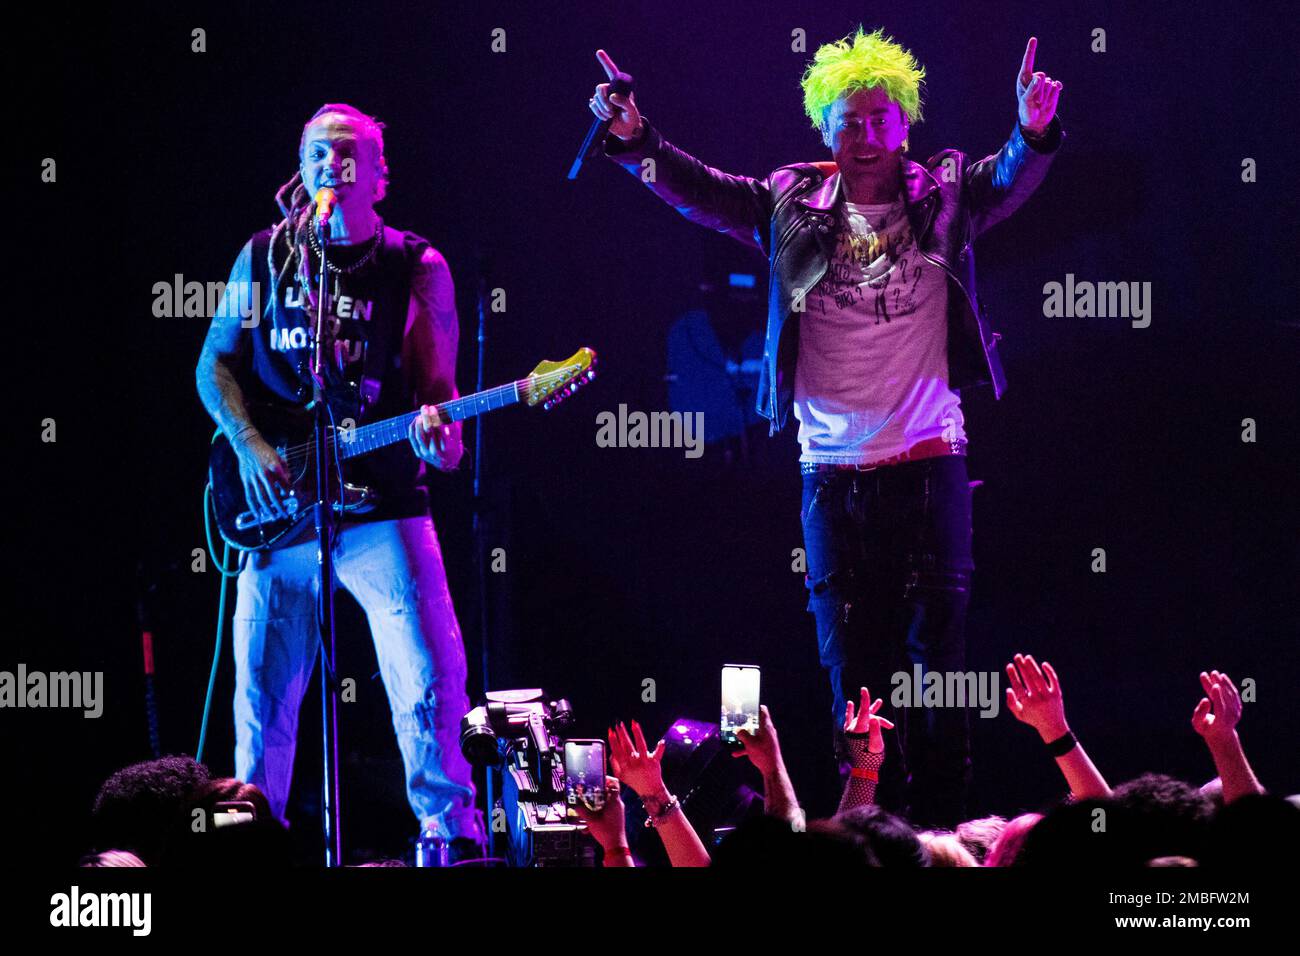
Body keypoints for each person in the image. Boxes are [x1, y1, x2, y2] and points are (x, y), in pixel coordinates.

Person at [588, 28, 1064, 827]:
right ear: (824, 128)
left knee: (937, 667)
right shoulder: (785, 201)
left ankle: (946, 835)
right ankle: (868, 830)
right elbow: (699, 190)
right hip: (831, 472)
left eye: (881, 118)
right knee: (855, 675)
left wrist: (1033, 129)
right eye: (849, 120)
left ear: (905, 122)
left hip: (930, 459)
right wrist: (638, 139)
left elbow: (1009, 178)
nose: (867, 135)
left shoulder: (945, 192)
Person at [195, 103, 484, 856]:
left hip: (384, 502)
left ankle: (447, 837)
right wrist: (251, 441)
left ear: (380, 174)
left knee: (429, 676)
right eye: (315, 153)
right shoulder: (262, 257)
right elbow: (212, 361)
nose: (329, 164)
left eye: (347, 152)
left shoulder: (415, 265)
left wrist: (438, 436)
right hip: (278, 509)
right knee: (259, 698)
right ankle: (247, 851)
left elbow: (437, 397)